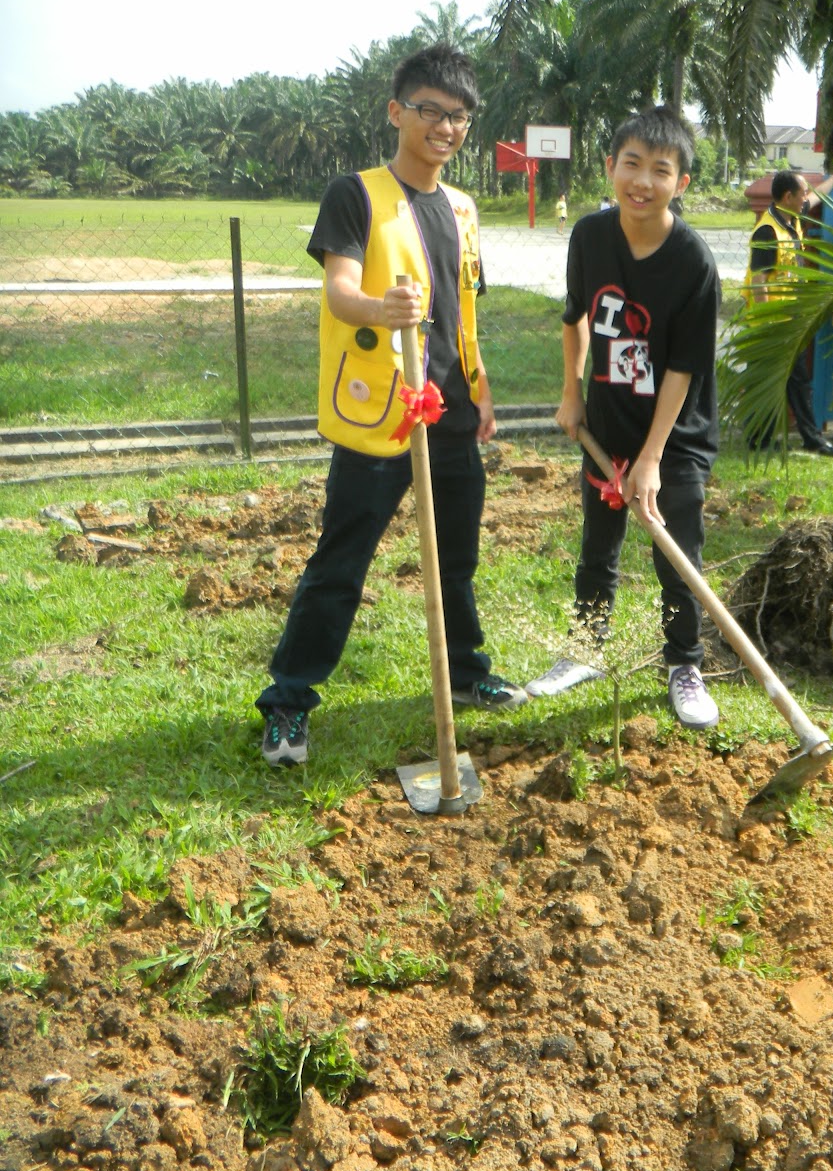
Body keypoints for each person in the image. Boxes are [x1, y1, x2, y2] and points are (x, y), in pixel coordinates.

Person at [255, 43, 527, 768]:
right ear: (396, 112)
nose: (445, 127)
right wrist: (383, 307)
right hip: (381, 412)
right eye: (430, 110)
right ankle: (288, 700)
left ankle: (466, 673)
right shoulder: (356, 195)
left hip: (452, 412)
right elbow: (341, 291)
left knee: (456, 560)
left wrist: (481, 387)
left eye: (459, 116)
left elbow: (465, 310)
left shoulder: (464, 208)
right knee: (342, 561)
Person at [526, 106, 722, 729]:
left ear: (680, 182)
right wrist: (572, 391)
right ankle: (585, 649)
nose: (642, 181)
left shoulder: (693, 262)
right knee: (598, 545)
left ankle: (684, 664)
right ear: (611, 167)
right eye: (631, 164)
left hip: (675, 435)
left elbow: (683, 369)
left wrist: (653, 459)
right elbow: (576, 316)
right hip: (607, 422)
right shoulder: (589, 236)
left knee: (676, 552)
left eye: (660, 170)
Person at [743, 169, 833, 456]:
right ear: (788, 197)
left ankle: (807, 438)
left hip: (789, 320)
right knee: (767, 381)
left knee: (797, 382)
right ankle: (761, 439)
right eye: (801, 194)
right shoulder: (767, 231)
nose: (805, 199)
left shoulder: (791, 218)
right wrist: (768, 324)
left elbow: (817, 195)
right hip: (770, 325)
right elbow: (759, 280)